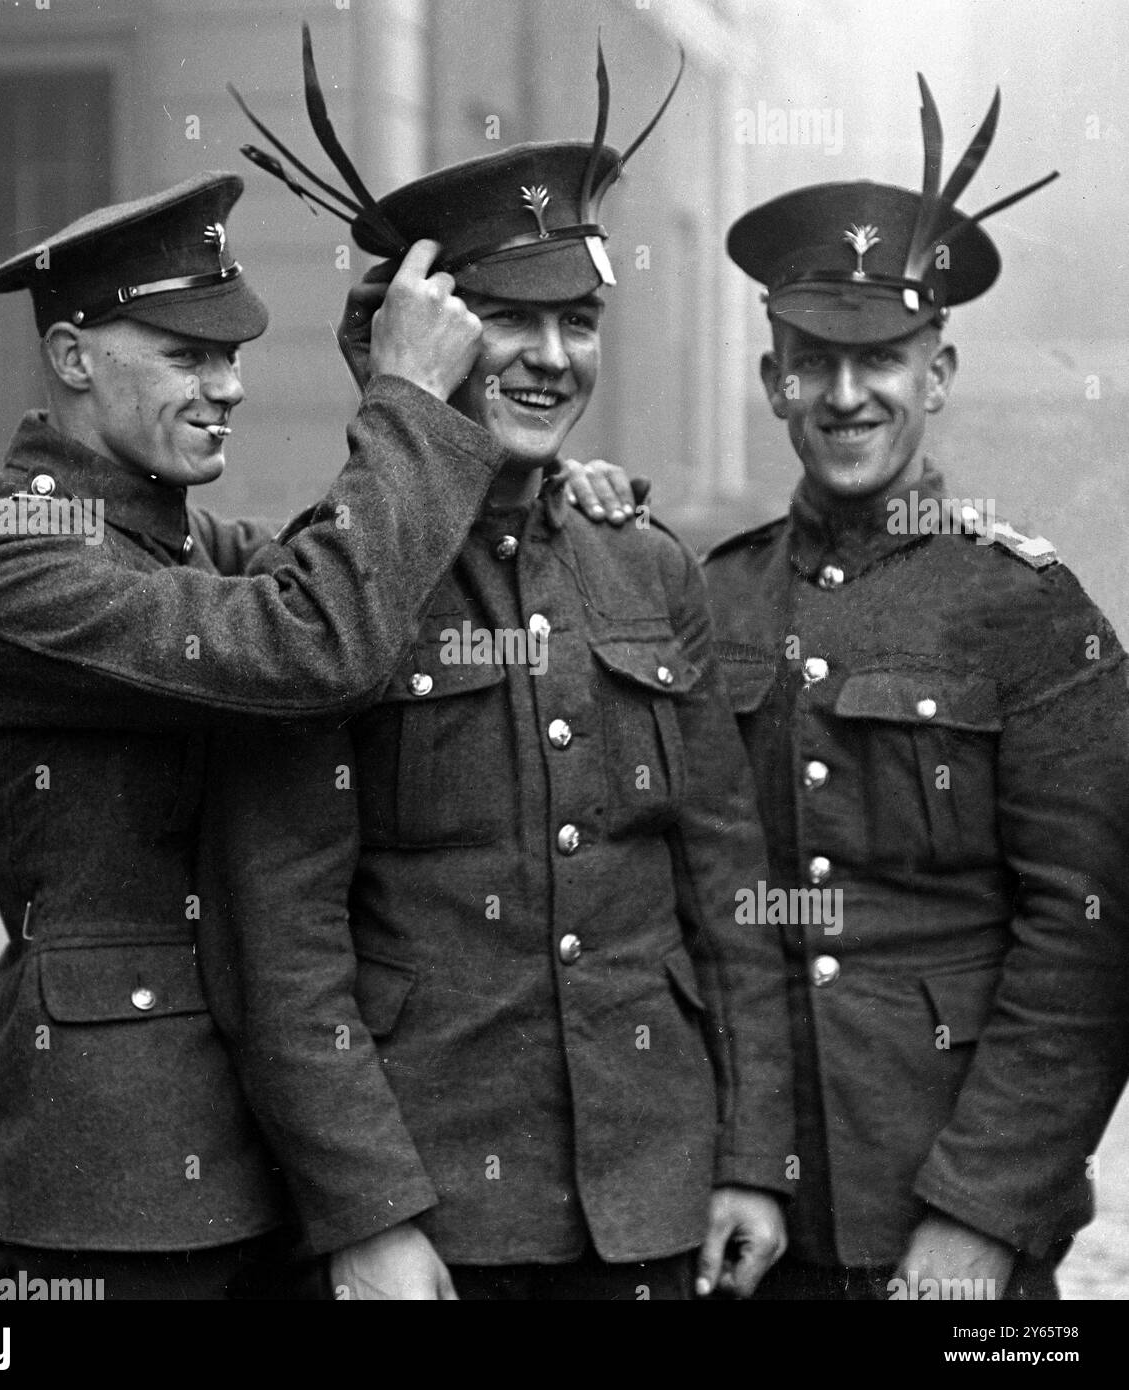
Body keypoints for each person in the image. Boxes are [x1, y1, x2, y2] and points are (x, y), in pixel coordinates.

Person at [199, 36, 794, 1301]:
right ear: (427, 341)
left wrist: (753, 1156)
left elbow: (725, 887)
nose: (549, 358)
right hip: (439, 1216)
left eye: (575, 322)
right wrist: (362, 1216)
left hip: (655, 1195)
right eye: (506, 321)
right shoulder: (334, 589)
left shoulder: (646, 570)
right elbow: (285, 939)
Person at [576, 76, 1129, 1300]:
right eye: (812, 363)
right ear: (771, 378)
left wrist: (979, 1215)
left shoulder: (1028, 612)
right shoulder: (709, 597)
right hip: (746, 1216)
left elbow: (1082, 953)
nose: (844, 397)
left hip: (949, 1212)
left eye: (877, 360)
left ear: (936, 374)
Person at [0, 168, 514, 1297]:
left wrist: (518, 472)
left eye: (232, 354)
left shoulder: (191, 548)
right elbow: (313, 641)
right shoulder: (9, 565)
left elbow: (354, 580)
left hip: (259, 1161)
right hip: (108, 1181)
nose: (228, 385)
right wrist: (405, 409)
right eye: (188, 354)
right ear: (74, 356)